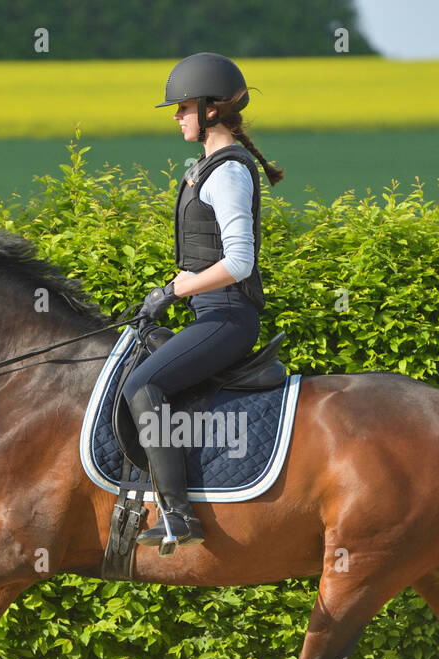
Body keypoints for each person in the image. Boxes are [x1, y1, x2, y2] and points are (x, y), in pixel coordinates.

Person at [124, 51, 285, 552]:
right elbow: (203, 256)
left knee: (144, 384)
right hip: (209, 314)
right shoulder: (207, 168)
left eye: (183, 107)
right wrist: (162, 297)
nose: (176, 116)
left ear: (212, 109)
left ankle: (175, 515)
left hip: (229, 317)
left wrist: (173, 292)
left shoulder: (228, 173)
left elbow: (238, 263)